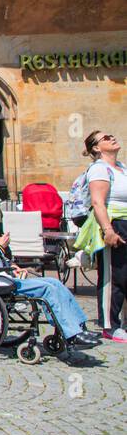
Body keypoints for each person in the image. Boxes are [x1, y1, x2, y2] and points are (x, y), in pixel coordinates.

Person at [0, 194, 99, 348]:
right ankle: (71, 333)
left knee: (55, 282)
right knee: (48, 288)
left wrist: (10, 265)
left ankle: (80, 327)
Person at [82, 130, 127, 341]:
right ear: (96, 148)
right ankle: (110, 325)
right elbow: (98, 202)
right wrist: (108, 230)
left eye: (111, 135)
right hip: (114, 224)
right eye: (106, 137)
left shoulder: (122, 168)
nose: (112, 137)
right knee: (114, 277)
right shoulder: (100, 169)